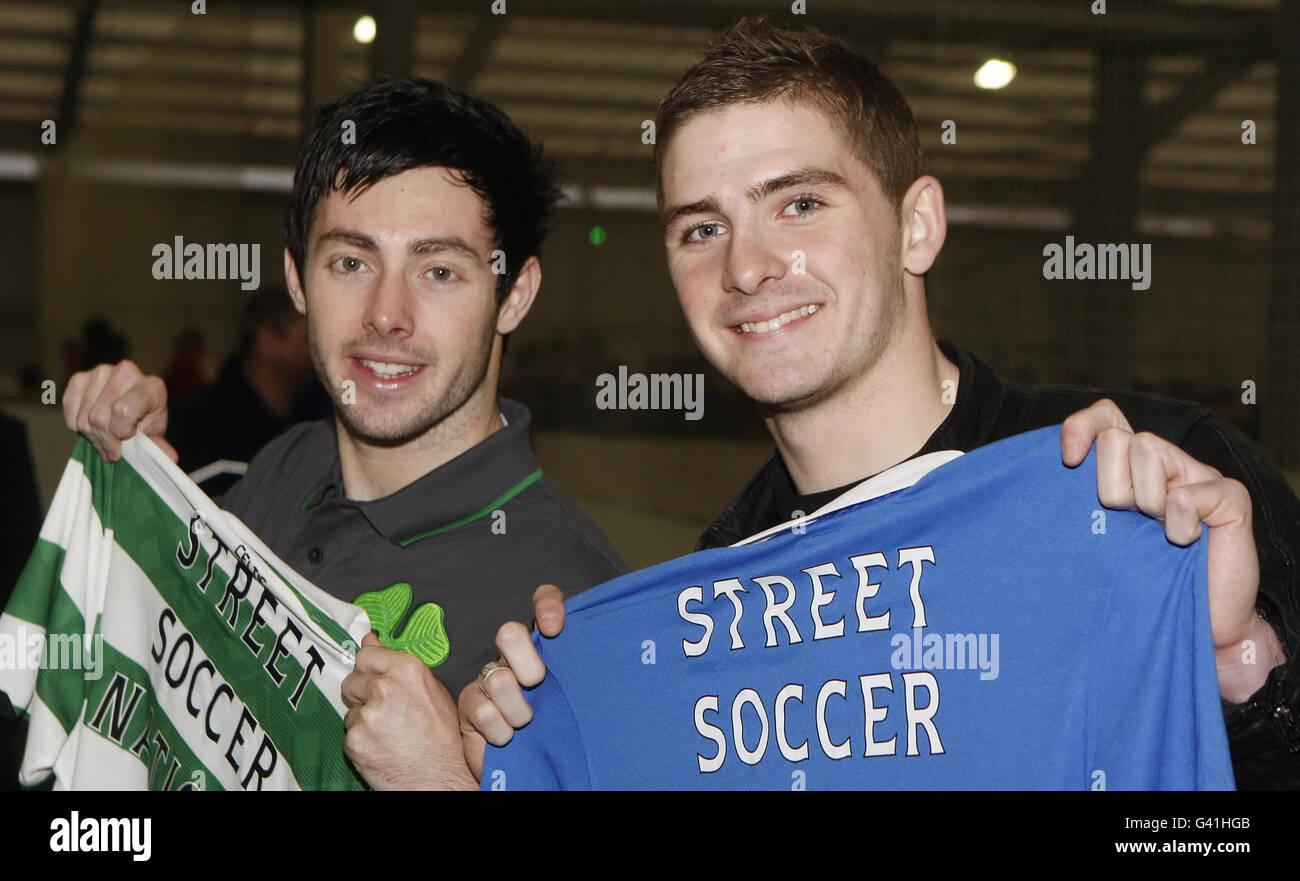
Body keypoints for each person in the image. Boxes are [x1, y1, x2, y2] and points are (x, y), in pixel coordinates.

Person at [455, 18, 1299, 791]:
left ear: (917, 225)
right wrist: (545, 725)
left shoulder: (1153, 483)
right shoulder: (720, 598)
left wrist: (1237, 656)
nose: (745, 267)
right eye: (701, 228)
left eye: (801, 204)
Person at [58, 77, 626, 789]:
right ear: (298, 281)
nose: (387, 315)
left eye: (440, 270)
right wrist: (142, 482)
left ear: (514, 294)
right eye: (351, 262)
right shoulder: (280, 468)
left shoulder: (579, 609)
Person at [167, 288, 315, 495]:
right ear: (267, 341)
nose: (318, 349)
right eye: (307, 338)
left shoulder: (308, 425)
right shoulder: (201, 425)